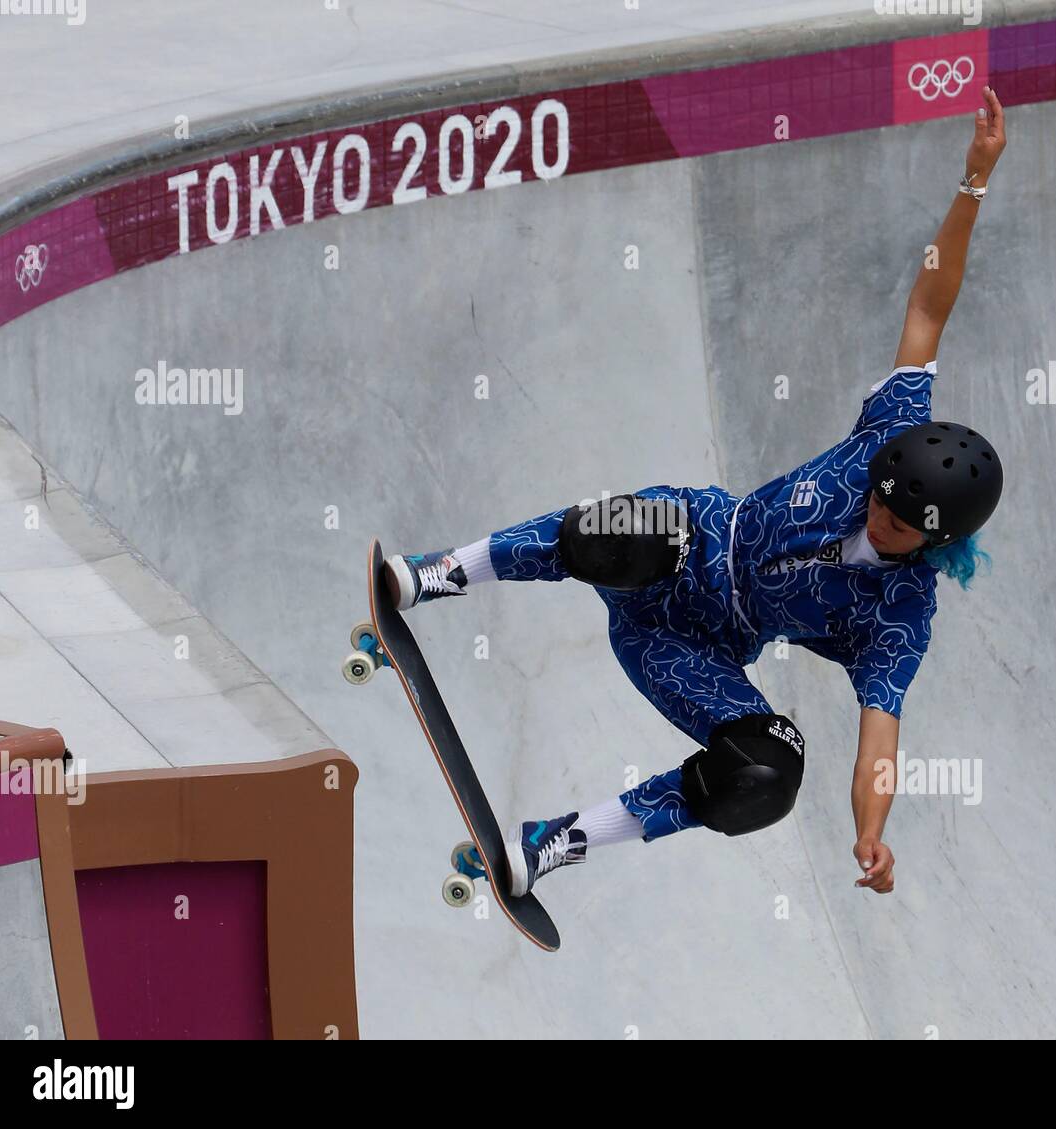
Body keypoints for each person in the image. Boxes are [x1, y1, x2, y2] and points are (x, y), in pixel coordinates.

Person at [387, 86, 1008, 900]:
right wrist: (974, 181)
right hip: (691, 542)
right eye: (877, 500)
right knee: (633, 530)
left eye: (895, 526)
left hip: (692, 652)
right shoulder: (890, 426)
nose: (876, 518)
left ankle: (553, 842)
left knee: (769, 771)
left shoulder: (902, 615)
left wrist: (870, 832)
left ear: (936, 544)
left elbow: (879, 738)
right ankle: (443, 572)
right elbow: (931, 304)